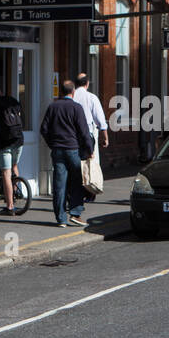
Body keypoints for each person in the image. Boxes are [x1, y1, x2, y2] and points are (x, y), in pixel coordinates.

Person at [40, 80, 95, 227]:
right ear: (73, 92)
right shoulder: (76, 108)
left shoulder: (53, 107)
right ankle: (76, 213)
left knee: (59, 185)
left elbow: (44, 129)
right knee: (77, 182)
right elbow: (84, 132)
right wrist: (90, 150)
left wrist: (52, 144)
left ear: (60, 92)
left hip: (57, 150)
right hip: (73, 149)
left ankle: (61, 219)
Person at [0, 85, 24, 216]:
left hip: (4, 142)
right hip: (19, 140)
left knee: (6, 173)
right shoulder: (13, 101)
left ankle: (10, 206)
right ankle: (18, 191)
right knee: (14, 166)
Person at [72, 73, 109, 200]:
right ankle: (89, 191)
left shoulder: (71, 97)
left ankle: (75, 192)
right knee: (90, 163)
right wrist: (105, 137)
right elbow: (100, 120)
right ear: (87, 84)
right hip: (88, 135)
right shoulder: (91, 97)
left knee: (75, 164)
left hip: (72, 136)